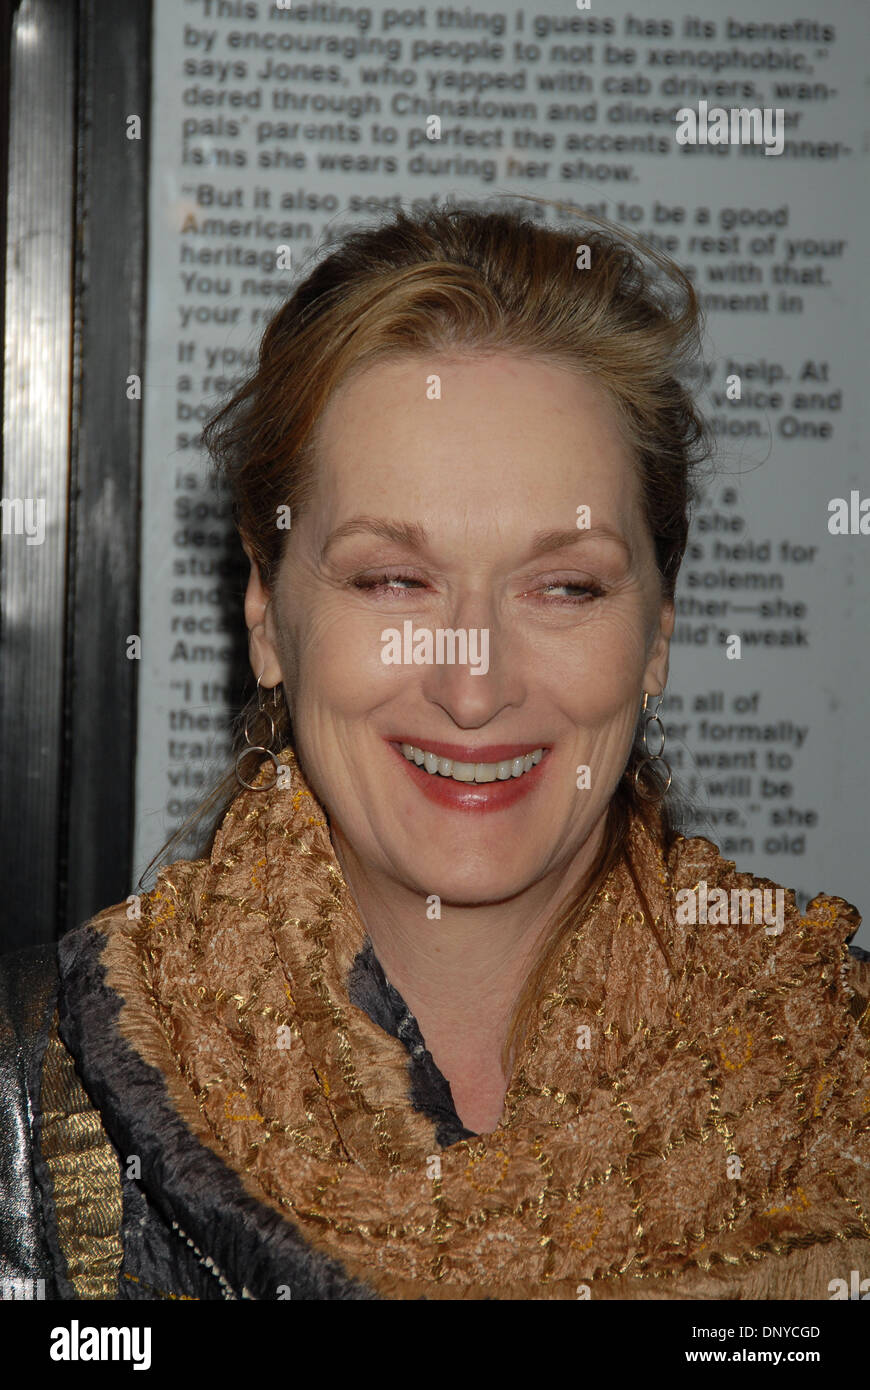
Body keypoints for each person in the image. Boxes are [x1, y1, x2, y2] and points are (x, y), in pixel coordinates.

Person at [1, 202, 868, 1301]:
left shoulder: (838, 1075)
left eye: (565, 586)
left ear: (658, 629)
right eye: (393, 579)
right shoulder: (38, 1099)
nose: (473, 685)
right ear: (265, 609)